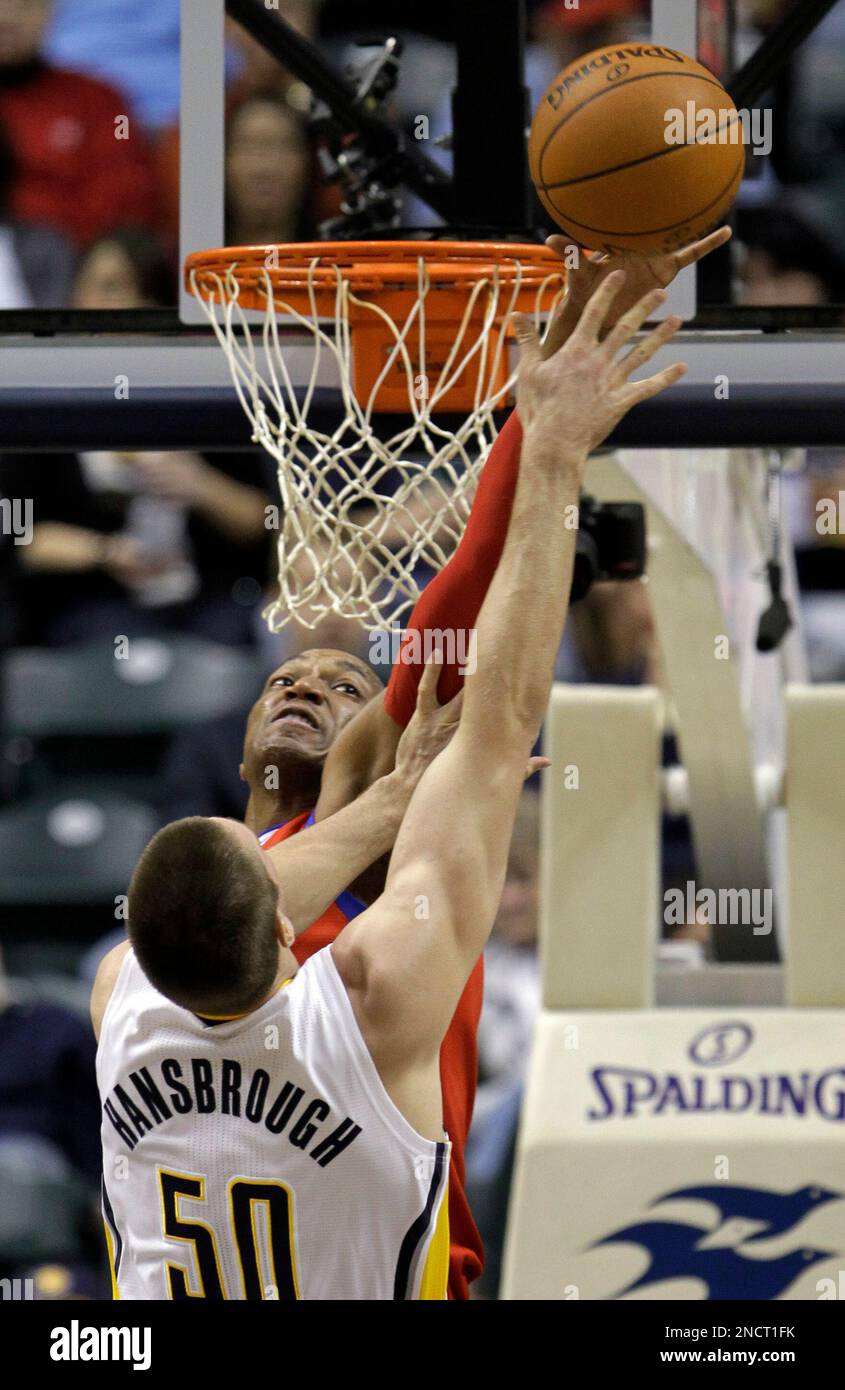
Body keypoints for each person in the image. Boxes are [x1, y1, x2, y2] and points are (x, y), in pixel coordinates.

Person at [90, 273, 687, 1300]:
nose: (305, 679)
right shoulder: (320, 953)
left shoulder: (135, 989)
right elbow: (491, 717)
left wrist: (526, 426)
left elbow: (449, 633)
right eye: (285, 676)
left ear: (379, 743)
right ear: (236, 759)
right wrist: (544, 440)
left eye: (340, 686)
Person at [0, 0, 158, 247]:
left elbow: (129, 189)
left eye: (25, 3)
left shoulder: (107, 104)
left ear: (50, 11)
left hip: (78, 263)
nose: (7, 16)